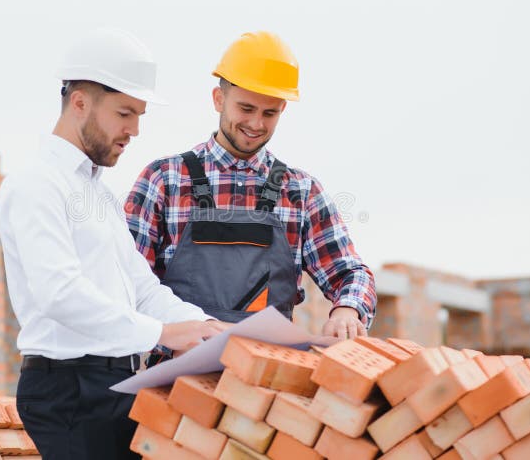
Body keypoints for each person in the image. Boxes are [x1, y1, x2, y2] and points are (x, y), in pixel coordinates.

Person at [0, 28, 222, 459]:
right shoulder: (35, 185)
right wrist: (163, 333)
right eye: (124, 113)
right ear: (79, 101)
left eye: (139, 115)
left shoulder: (100, 196)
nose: (134, 129)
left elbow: (143, 290)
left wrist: (206, 328)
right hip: (67, 390)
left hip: (115, 385)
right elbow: (58, 293)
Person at [124, 31, 376, 360]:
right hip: (174, 382)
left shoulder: (300, 192)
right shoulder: (164, 180)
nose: (256, 123)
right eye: (246, 108)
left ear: (282, 109)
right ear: (218, 99)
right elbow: (125, 281)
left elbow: (350, 272)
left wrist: (348, 309)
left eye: (269, 114)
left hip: (267, 382)